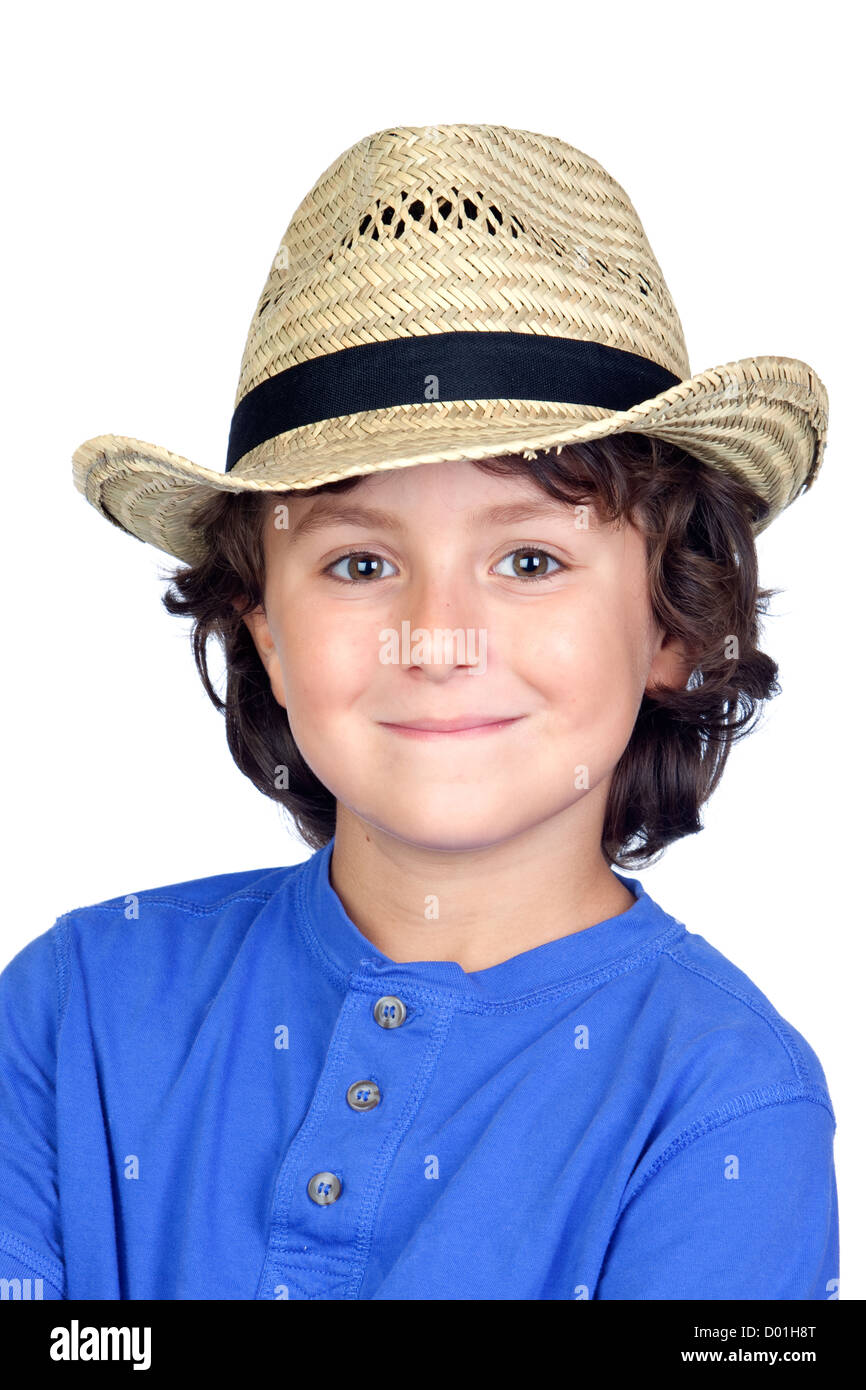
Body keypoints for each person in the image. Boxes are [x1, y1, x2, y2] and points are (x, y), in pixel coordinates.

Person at [0, 124, 838, 1300]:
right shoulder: (71, 1006)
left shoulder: (722, 1104)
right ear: (263, 631)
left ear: (670, 625)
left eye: (531, 560)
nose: (437, 637)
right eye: (356, 565)